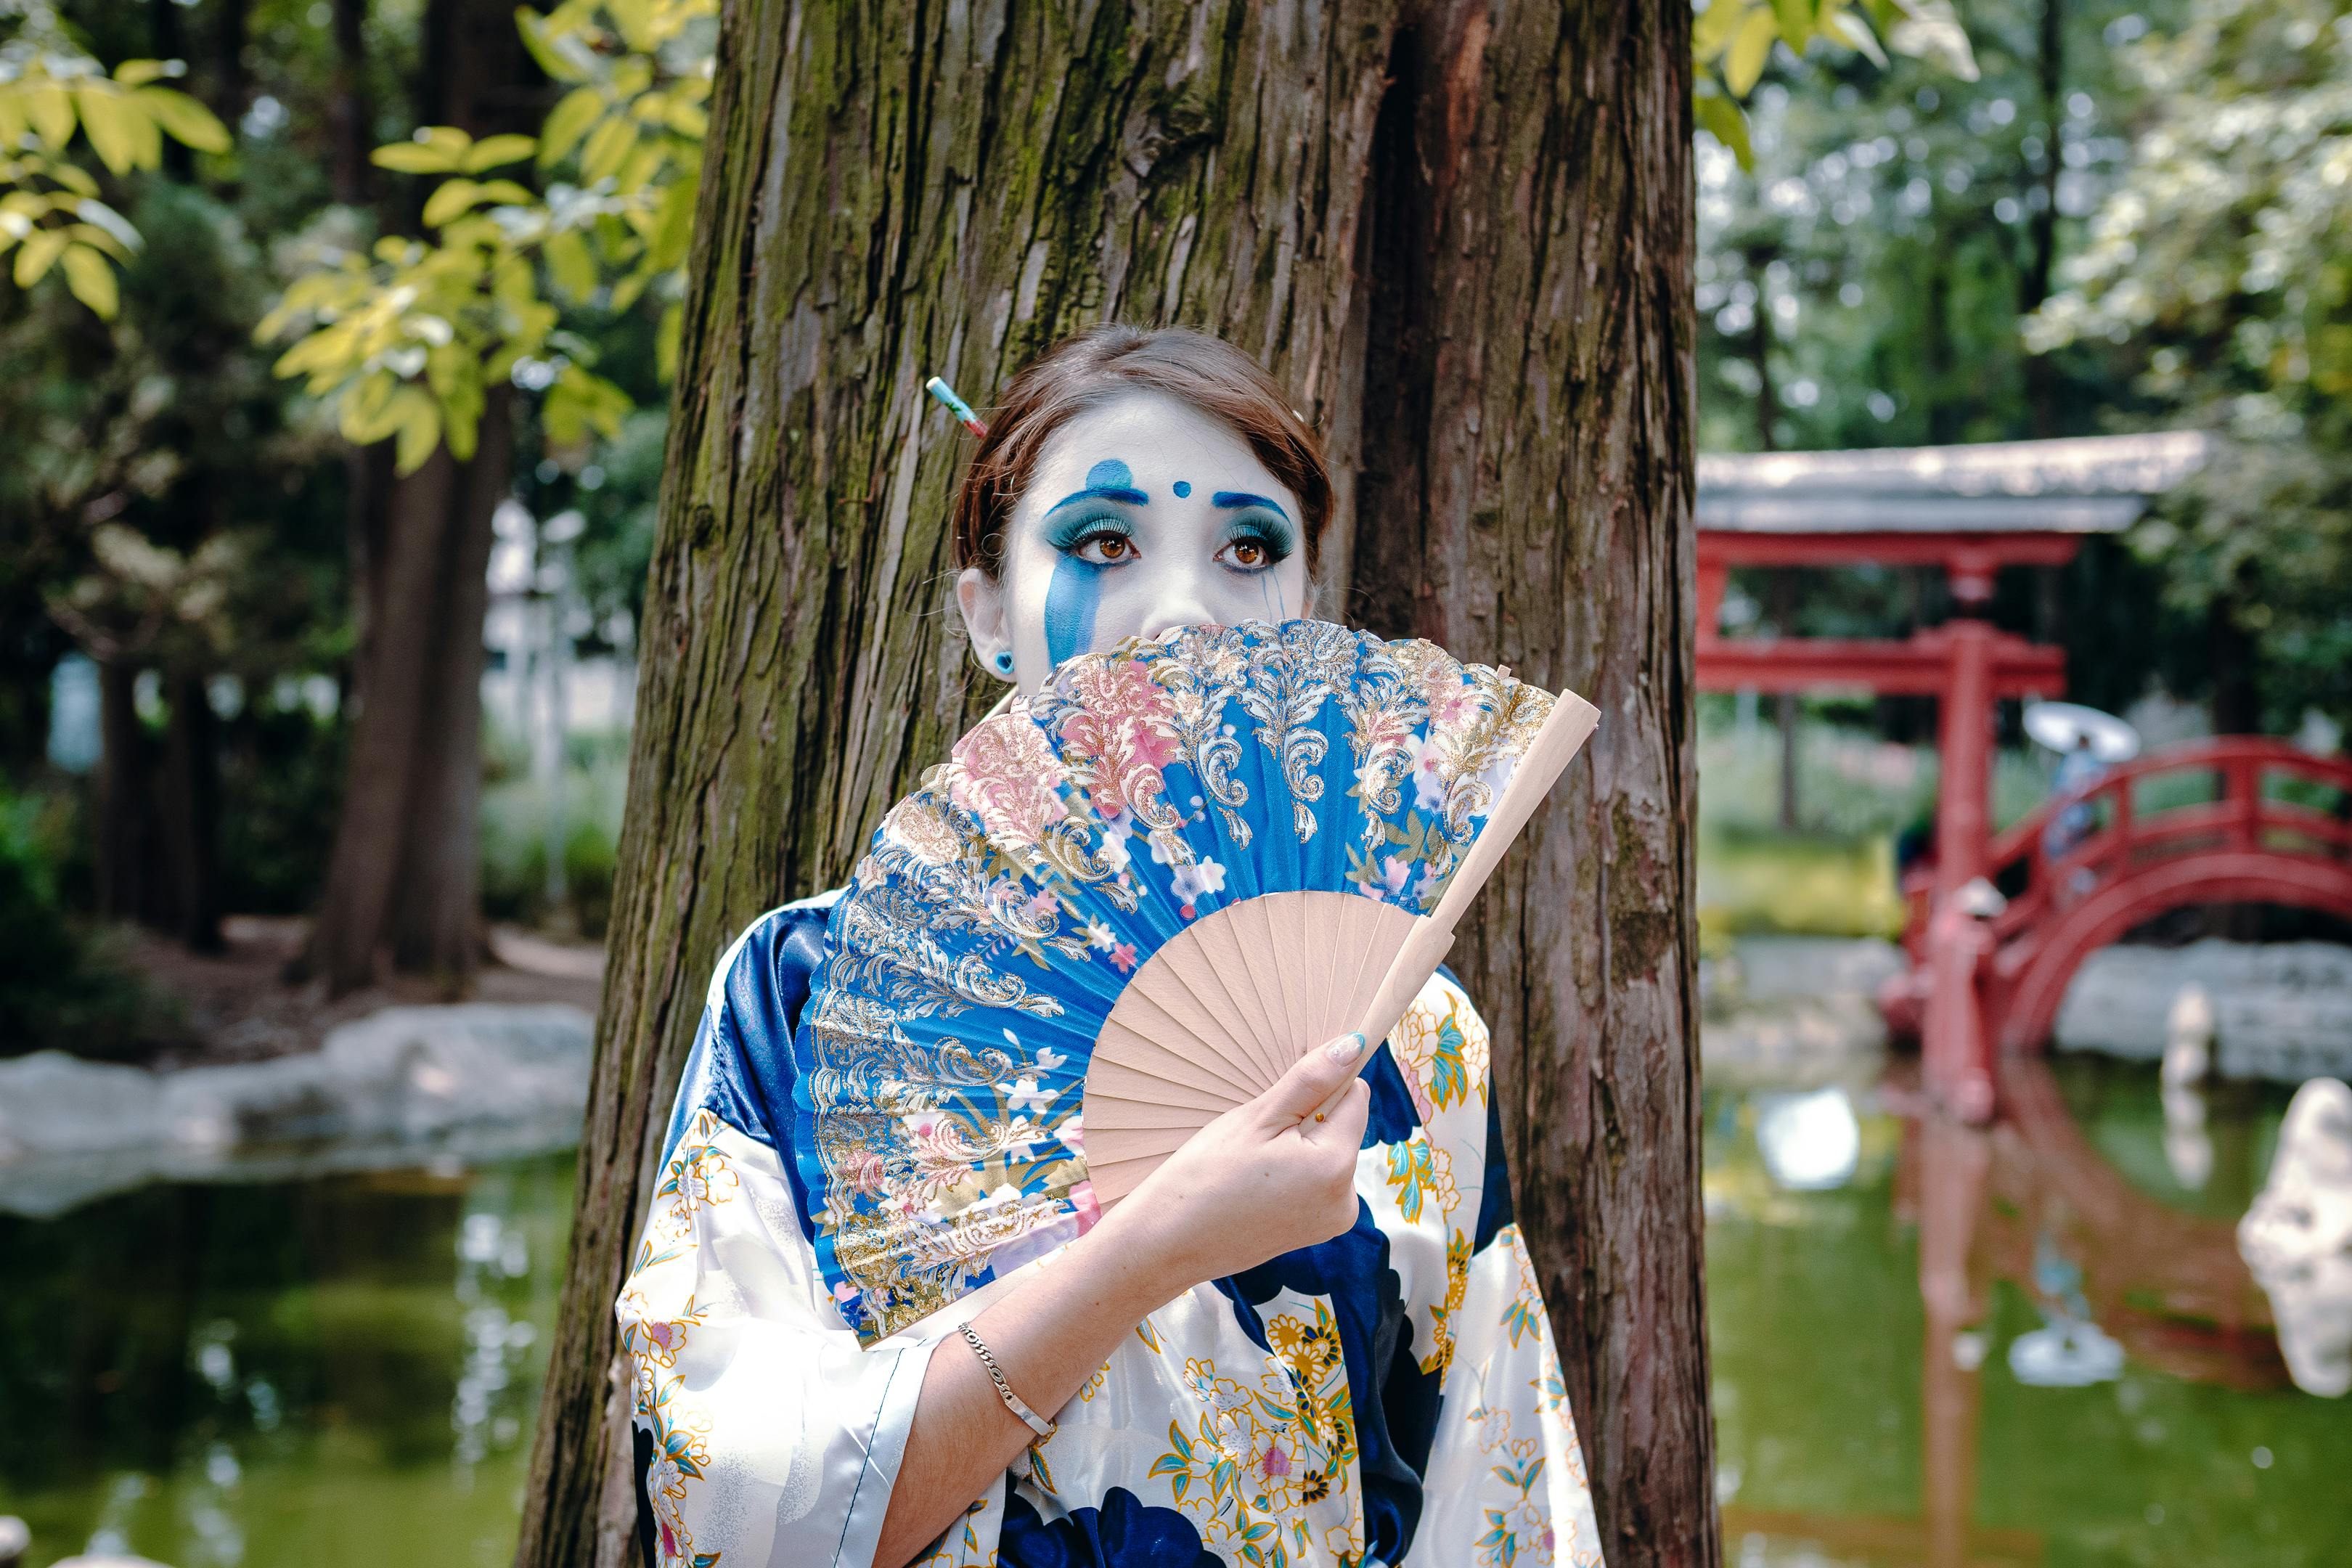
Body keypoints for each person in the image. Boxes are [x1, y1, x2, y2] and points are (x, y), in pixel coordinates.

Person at [615, 325, 1604, 1568]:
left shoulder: (1412, 1036)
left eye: (1249, 548)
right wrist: (1149, 1252)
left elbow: (1492, 1509)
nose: (1185, 607)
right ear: (988, 615)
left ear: (1302, 609)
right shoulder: (805, 996)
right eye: (1102, 541)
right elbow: (729, 1524)